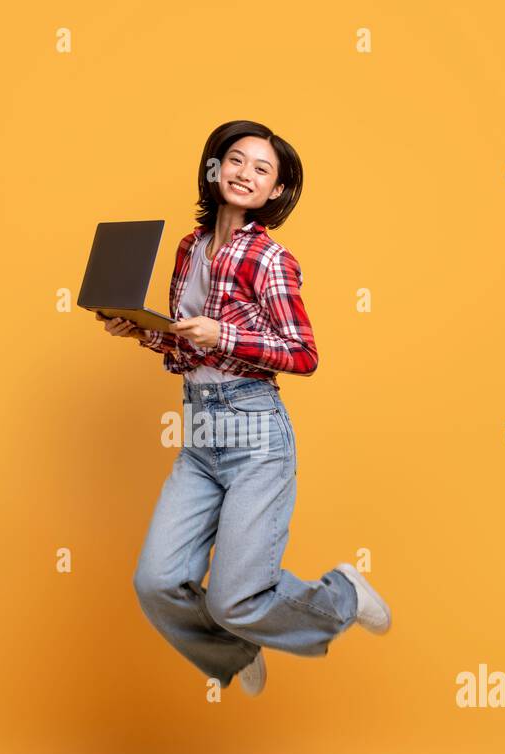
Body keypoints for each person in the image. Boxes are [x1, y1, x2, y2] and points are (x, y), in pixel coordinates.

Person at [96, 120, 392, 697]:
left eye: (262, 169)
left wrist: (224, 335)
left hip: (255, 435)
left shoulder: (269, 259)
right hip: (200, 431)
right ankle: (233, 651)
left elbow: (303, 355)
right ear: (214, 167)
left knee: (237, 595)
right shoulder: (190, 248)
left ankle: (344, 594)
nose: (245, 173)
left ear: (276, 192)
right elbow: (189, 347)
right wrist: (140, 330)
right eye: (236, 160)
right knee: (156, 582)